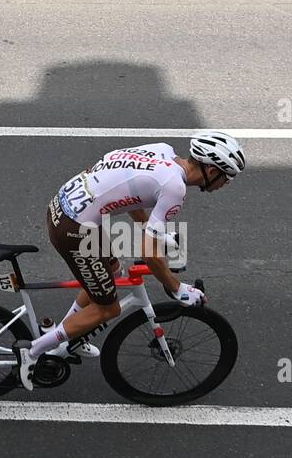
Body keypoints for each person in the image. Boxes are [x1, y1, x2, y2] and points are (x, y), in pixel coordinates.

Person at [16, 130, 245, 390]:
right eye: (227, 177)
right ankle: (34, 352)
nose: (226, 183)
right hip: (75, 227)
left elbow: (128, 184)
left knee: (111, 273)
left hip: (65, 205)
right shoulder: (175, 188)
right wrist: (178, 288)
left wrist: (152, 227)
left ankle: (67, 337)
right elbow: (150, 256)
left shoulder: (163, 151)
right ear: (212, 171)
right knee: (108, 309)